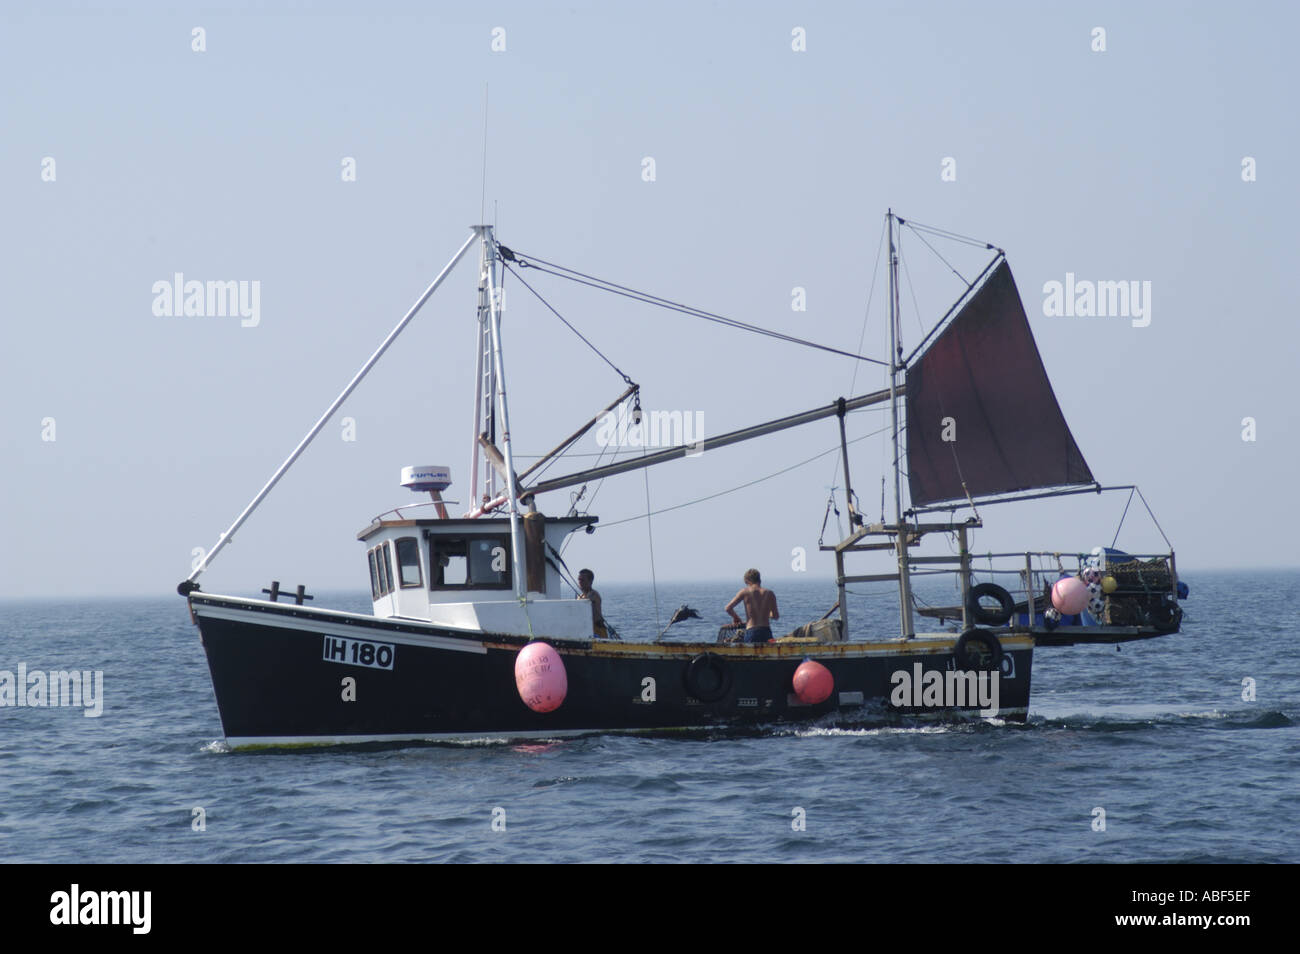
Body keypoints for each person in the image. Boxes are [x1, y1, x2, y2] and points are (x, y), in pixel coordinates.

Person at [724, 569, 779, 644]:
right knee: (767, 654)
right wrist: (765, 614)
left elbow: (728, 608)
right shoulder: (770, 593)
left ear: (747, 581)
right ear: (759, 580)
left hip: (752, 632)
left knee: (752, 654)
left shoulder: (745, 592)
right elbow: (776, 616)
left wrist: (736, 618)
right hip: (766, 632)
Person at [577, 568, 608, 638]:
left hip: (598, 631)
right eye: (579, 579)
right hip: (586, 631)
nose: (580, 582)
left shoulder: (593, 594)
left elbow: (585, 604)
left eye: (582, 580)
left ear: (590, 581)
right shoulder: (580, 596)